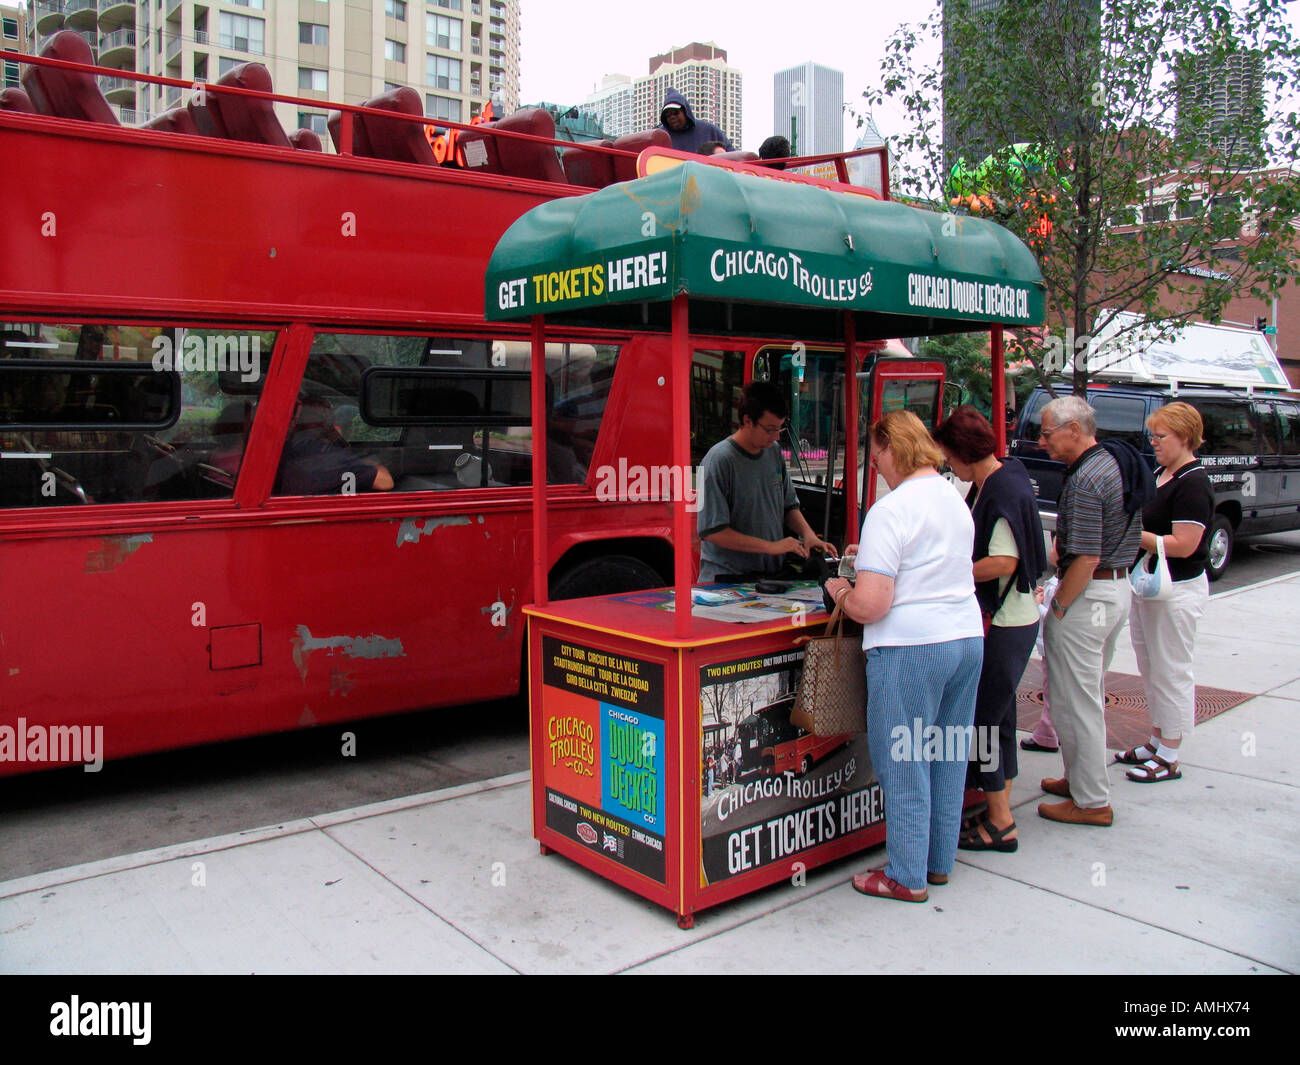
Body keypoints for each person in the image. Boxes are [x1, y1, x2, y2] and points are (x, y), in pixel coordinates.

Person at [824, 410, 984, 902]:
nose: (877, 469)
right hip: (966, 637)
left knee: (905, 759)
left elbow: (872, 605)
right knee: (946, 755)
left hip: (910, 647)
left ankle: (905, 875)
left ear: (892, 448)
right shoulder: (954, 500)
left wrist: (840, 591)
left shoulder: (890, 510)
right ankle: (936, 863)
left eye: (876, 458)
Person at [932, 406, 1046, 853]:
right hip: (1007, 619)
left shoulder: (1001, 490)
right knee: (1000, 720)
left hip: (1005, 622)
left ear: (962, 452)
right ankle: (1000, 809)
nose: (946, 465)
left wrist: (948, 571)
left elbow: (1003, 562)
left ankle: (1001, 822)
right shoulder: (995, 480)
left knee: (981, 722)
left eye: (947, 456)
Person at [1036, 395, 1141, 827]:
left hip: (1089, 594)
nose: (1041, 443)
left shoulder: (1084, 479)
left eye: (1046, 433)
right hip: (1116, 590)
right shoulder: (1115, 462)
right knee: (1085, 696)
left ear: (1074, 430)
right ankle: (1081, 779)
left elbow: (1085, 558)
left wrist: (1058, 607)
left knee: (1076, 701)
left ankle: (1092, 800)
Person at [1120, 402, 1214, 783]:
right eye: (1152, 436)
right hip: (1150, 585)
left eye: (1161, 437)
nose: (1154, 443)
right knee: (1150, 665)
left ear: (1185, 437)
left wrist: (1129, 533)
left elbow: (1185, 544)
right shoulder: (1160, 473)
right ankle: (1157, 740)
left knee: (1172, 668)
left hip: (1177, 589)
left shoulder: (1193, 483)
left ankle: (1170, 753)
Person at [696, 381, 836, 581]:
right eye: (770, 429)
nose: (776, 437)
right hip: (727, 580)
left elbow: (788, 506)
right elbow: (712, 531)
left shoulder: (774, 452)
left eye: (780, 429)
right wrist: (770, 547)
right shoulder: (718, 460)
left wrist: (808, 534)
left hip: (768, 578)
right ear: (747, 421)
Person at [276, 395, 393, 495]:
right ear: (328, 424)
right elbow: (385, 482)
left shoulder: (282, 449)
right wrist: (362, 458)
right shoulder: (330, 457)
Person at [657, 89, 735, 153]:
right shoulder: (660, 136)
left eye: (675, 112)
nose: (672, 117)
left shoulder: (709, 131)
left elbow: (732, 155)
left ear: (685, 111)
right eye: (667, 115)